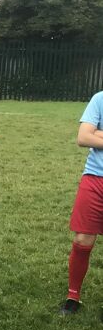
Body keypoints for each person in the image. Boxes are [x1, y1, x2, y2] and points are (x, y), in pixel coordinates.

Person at [59, 91, 103, 316]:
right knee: (82, 239)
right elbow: (84, 138)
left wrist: (99, 134)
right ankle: (73, 296)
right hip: (95, 178)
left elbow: (93, 135)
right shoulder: (100, 99)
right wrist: (92, 134)